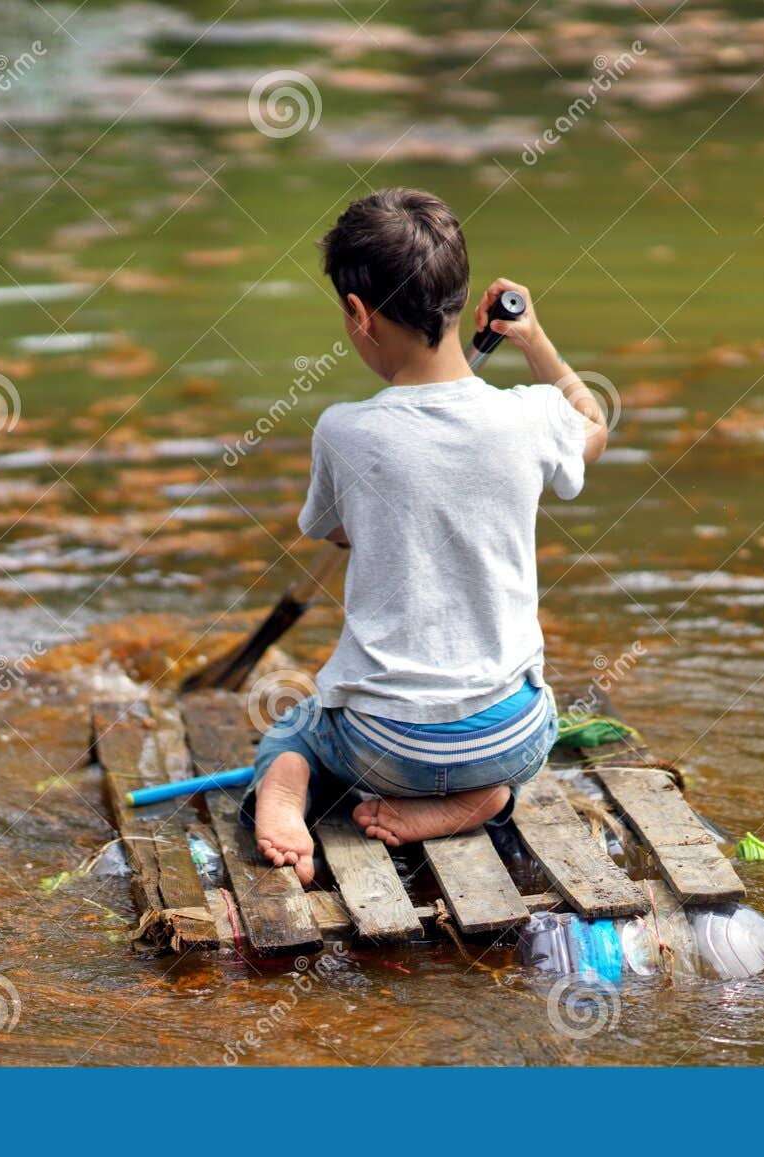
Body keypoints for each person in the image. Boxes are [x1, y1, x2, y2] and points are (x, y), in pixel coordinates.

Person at [244, 187, 607, 884]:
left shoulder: (343, 430)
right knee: (524, 731)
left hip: (386, 746)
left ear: (358, 313)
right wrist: (533, 339)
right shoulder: (531, 418)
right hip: (510, 736)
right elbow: (592, 422)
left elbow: (341, 530)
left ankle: (285, 793)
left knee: (295, 730)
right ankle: (479, 796)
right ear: (460, 294)